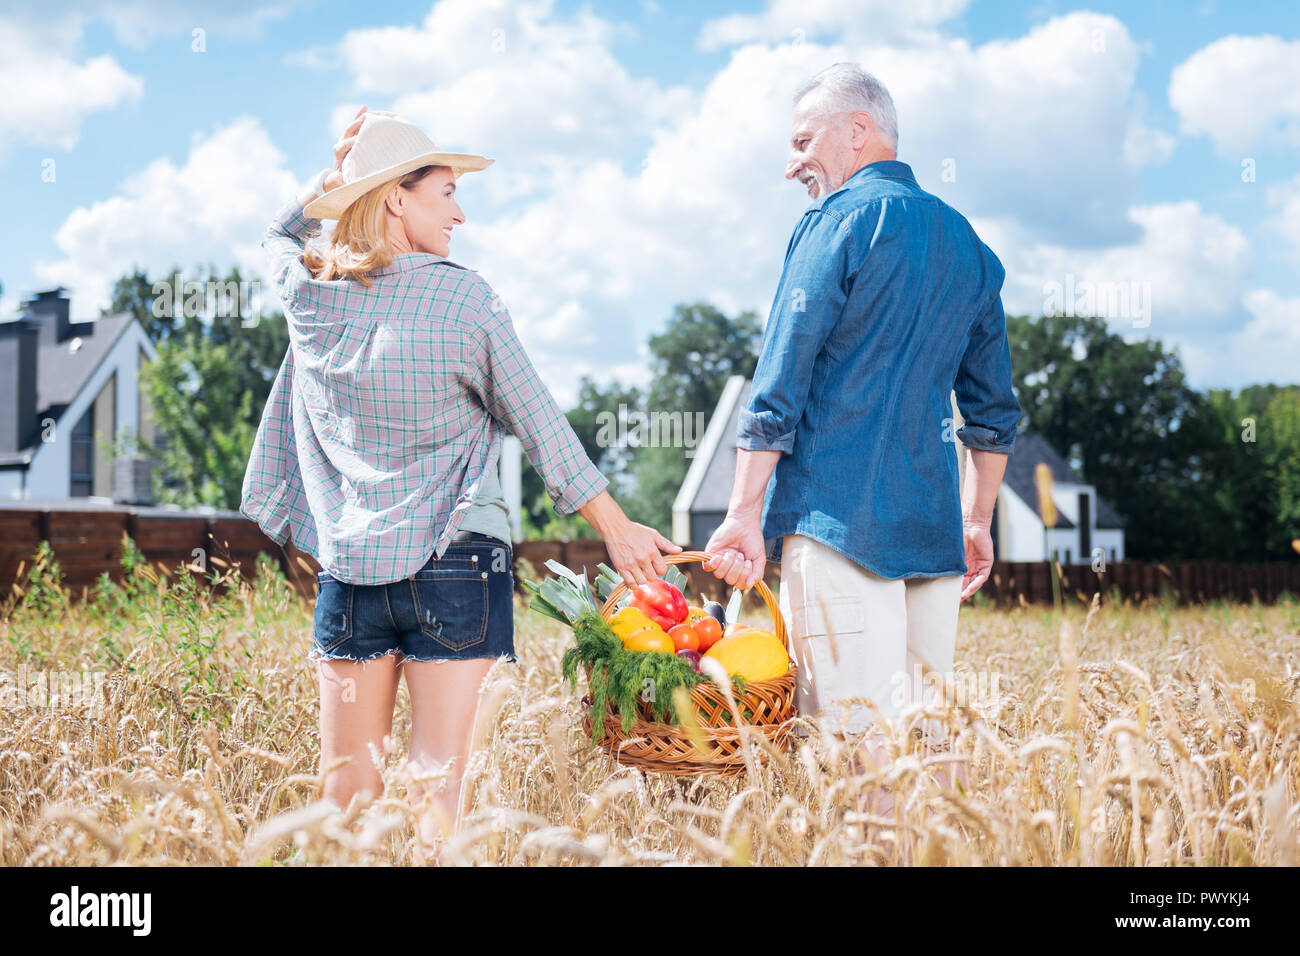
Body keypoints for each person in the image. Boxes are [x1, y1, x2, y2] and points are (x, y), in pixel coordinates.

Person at [242, 106, 679, 862]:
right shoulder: (465, 300)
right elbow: (542, 425)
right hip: (455, 567)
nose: (461, 211)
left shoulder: (309, 296)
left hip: (349, 574)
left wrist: (335, 175)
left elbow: (275, 240)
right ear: (397, 201)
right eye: (445, 192)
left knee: (345, 798)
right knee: (436, 797)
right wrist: (617, 527)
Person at [702, 64, 1021, 780]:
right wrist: (976, 521)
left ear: (859, 130)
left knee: (851, 755)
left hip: (835, 524)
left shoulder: (835, 222)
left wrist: (744, 511)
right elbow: (993, 411)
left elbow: (781, 378)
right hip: (933, 539)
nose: (791, 166)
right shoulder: (970, 246)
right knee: (924, 753)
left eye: (802, 140)